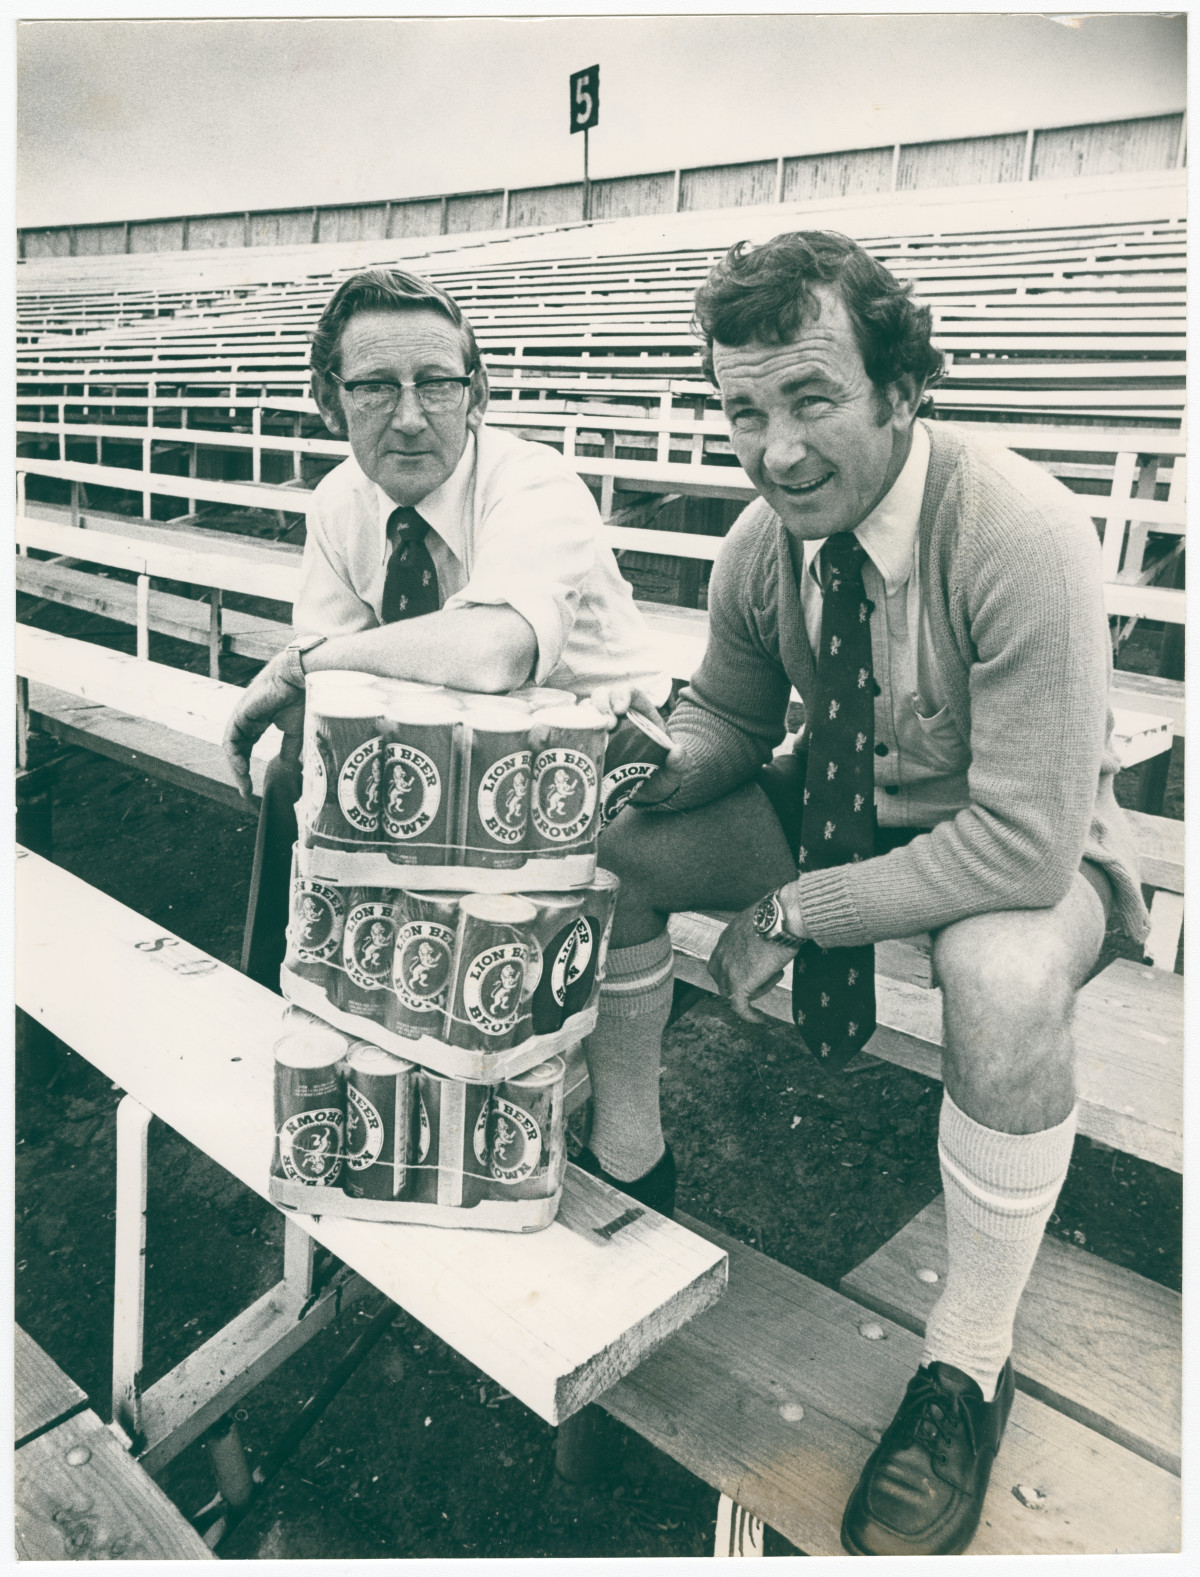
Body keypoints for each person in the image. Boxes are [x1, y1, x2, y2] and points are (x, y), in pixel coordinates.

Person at [582, 231, 1150, 1558]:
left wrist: (794, 912)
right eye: (744, 409)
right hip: (842, 805)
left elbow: (1020, 847)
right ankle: (629, 1169)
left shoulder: (1021, 529)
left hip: (1017, 845)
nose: (774, 448)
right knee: (616, 850)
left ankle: (966, 1365)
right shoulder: (760, 540)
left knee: (1000, 977)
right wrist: (663, 766)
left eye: (811, 397)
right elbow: (732, 714)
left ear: (904, 388)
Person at [222, 266, 670, 985]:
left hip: (605, 764)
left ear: (477, 393)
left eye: (436, 382)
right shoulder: (340, 502)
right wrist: (307, 684)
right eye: (375, 386)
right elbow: (324, 700)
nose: (408, 416)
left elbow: (495, 651)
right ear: (329, 401)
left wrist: (300, 666)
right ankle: (286, 1001)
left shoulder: (533, 481)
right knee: (296, 767)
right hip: (462, 753)